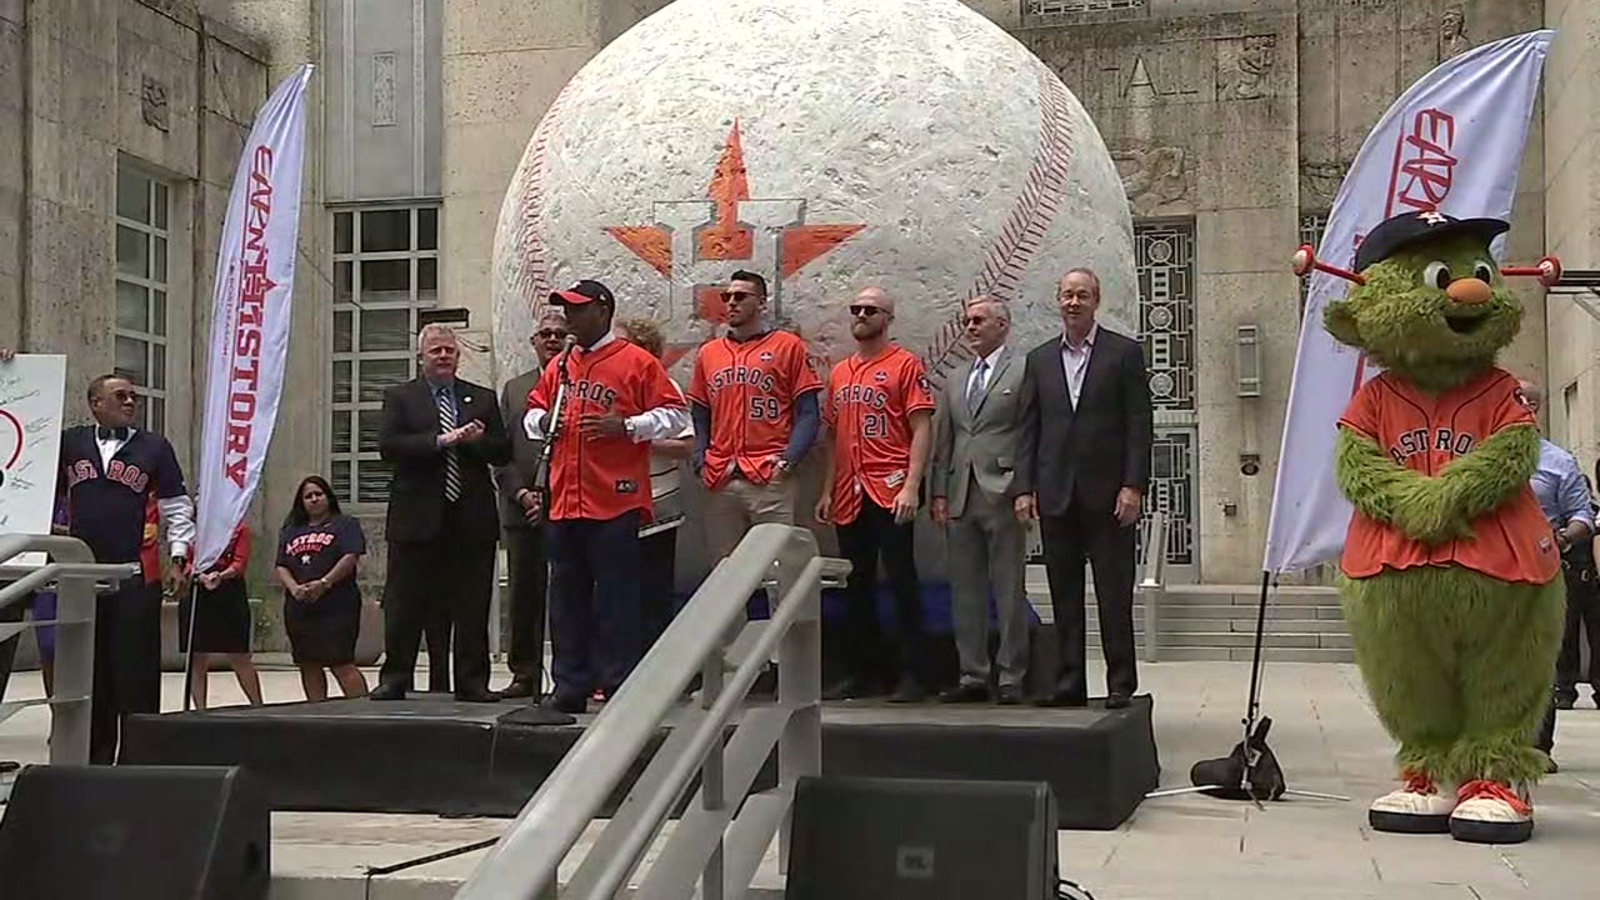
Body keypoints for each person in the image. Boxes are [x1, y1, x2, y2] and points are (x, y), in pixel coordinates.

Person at [523, 279, 688, 714]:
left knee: (617, 599)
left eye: (577, 310)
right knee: (566, 598)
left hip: (615, 499)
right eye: (567, 310)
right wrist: (542, 423)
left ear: (602, 310)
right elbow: (533, 411)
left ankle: (619, 683)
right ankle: (570, 684)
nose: (569, 318)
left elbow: (675, 415)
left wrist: (629, 427)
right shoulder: (561, 365)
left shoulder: (637, 362)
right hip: (565, 497)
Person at [1015, 267, 1153, 710]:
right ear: (1058, 300)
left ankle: (1120, 683)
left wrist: (1133, 484)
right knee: (1064, 595)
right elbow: (1028, 430)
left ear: (1097, 301)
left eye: (1083, 295)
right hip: (1056, 495)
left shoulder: (1124, 354)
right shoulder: (1038, 360)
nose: (1074, 303)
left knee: (1114, 595)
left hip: (1110, 496)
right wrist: (1024, 487)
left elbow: (1139, 425)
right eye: (1067, 295)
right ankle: (1069, 682)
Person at [57, 372, 196, 763]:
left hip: (137, 571)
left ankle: (140, 760)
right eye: (120, 396)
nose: (130, 402)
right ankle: (93, 759)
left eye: (133, 396)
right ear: (95, 403)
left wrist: (180, 557)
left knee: (136, 670)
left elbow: (176, 506)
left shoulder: (155, 447)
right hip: (81, 574)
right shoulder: (69, 443)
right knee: (90, 669)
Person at [373, 323, 511, 702]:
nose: (444, 356)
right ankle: (396, 676)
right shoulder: (401, 397)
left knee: (471, 602)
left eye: (449, 350)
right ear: (421, 357)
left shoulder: (481, 399)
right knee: (405, 602)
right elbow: (389, 446)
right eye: (436, 351)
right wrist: (440, 441)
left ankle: (472, 681)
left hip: (470, 518)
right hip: (417, 517)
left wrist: (477, 440)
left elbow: (502, 452)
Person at [815, 287, 936, 703]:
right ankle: (862, 673)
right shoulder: (841, 372)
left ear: (888, 317)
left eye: (870, 310)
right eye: (856, 309)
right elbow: (832, 435)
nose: (861, 315)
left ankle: (916, 673)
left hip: (889, 487)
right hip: (850, 490)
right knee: (856, 584)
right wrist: (828, 487)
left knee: (902, 580)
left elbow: (922, 427)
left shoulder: (905, 365)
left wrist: (912, 485)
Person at [929, 296, 1031, 705]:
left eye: (978, 321)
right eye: (967, 321)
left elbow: (1029, 433)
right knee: (965, 590)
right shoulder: (956, 378)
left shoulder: (1023, 371)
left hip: (1002, 490)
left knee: (1008, 587)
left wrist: (1024, 486)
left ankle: (1011, 675)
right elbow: (944, 439)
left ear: (1002, 325)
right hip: (959, 493)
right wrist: (938, 491)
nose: (969, 328)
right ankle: (972, 673)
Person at [689, 270, 822, 577]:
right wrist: (700, 458)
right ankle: (731, 628)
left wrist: (788, 462)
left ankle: (783, 628)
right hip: (721, 475)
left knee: (781, 571)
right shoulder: (709, 353)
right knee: (724, 574)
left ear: (761, 303)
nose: (731, 303)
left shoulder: (788, 346)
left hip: (769, 476)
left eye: (740, 296)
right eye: (727, 297)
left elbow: (808, 412)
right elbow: (699, 412)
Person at [493, 309, 571, 700]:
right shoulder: (515, 389)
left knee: (569, 594)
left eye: (560, 334)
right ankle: (524, 674)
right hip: (522, 508)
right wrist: (522, 493)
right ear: (534, 342)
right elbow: (500, 453)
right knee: (523, 596)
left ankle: (570, 677)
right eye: (545, 334)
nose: (553, 340)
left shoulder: (578, 384)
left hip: (570, 508)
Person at [1518, 380, 1593, 770]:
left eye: (1522, 402)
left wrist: (1562, 538)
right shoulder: (1478, 456)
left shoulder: (1558, 462)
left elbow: (1584, 515)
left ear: (1534, 408)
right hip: (1490, 575)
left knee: (1540, 659)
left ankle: (1538, 746)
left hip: (1543, 573)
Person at [614, 317, 696, 652]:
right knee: (618, 592)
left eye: (623, 344)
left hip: (658, 502)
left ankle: (656, 669)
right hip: (615, 501)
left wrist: (638, 440)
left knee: (654, 590)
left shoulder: (665, 386)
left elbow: (688, 445)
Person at [276, 476, 370, 702]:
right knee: (308, 663)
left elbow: (351, 556)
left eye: (318, 494)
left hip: (337, 604)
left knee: (341, 662)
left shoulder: (345, 524)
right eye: (308, 496)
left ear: (328, 497)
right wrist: (295, 588)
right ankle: (316, 710)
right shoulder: (291, 530)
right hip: (300, 607)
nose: (314, 499)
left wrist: (325, 583)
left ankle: (362, 711)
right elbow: (281, 565)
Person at [178, 518, 264, 709]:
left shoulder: (240, 528)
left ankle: (258, 707)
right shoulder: (192, 530)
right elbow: (185, 561)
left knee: (239, 654)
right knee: (197, 657)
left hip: (229, 592)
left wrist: (220, 575)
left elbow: (240, 562)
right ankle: (200, 709)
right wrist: (200, 576)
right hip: (198, 590)